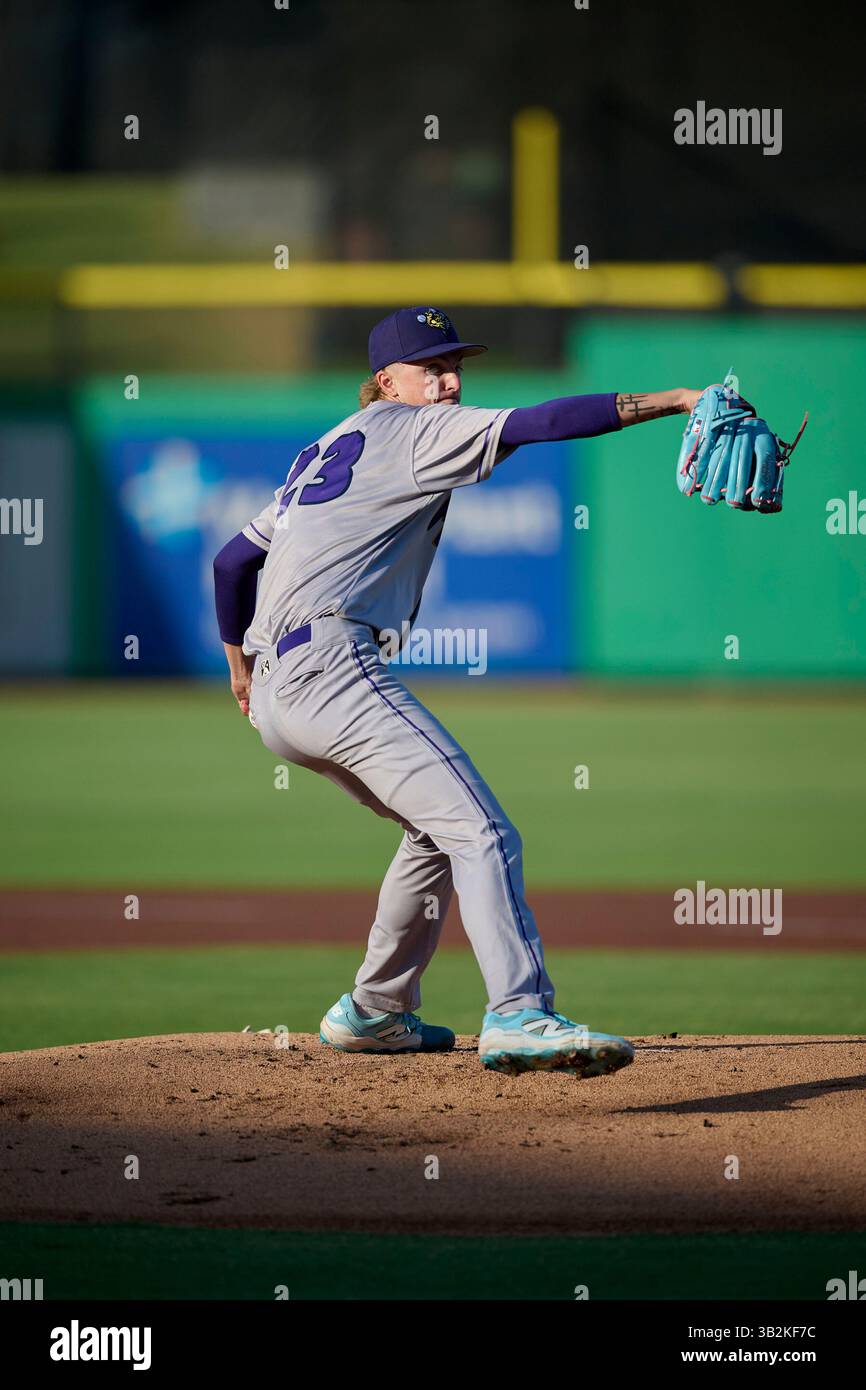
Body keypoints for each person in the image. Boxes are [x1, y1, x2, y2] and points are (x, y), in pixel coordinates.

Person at [213, 306, 705, 1077]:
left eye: (455, 366)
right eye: (430, 367)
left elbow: (229, 564)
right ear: (387, 381)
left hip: (282, 694)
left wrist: (239, 664)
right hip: (334, 670)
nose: (447, 382)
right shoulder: (410, 430)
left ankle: (374, 1010)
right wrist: (671, 400)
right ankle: (519, 1012)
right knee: (485, 832)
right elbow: (539, 423)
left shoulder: (332, 444)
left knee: (433, 832)